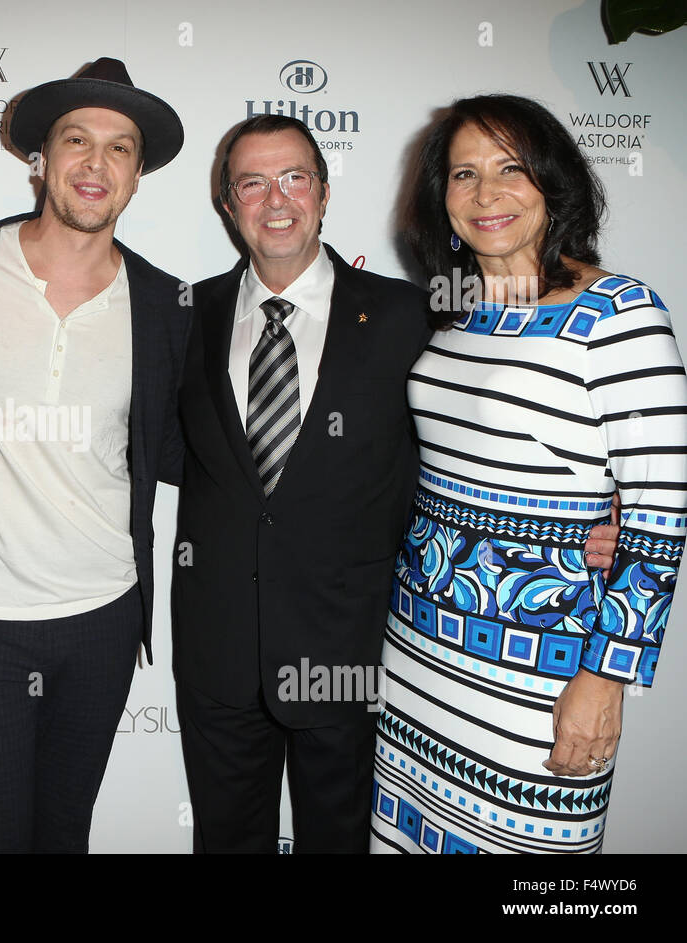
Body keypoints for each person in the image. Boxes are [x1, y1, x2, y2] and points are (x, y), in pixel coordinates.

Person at [171, 114, 619, 853]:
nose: (275, 199)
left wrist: (609, 503)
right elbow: (155, 448)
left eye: (295, 178)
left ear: (322, 193)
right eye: (252, 182)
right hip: (220, 659)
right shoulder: (186, 314)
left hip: (356, 655)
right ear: (228, 204)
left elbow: (495, 419)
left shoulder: (419, 314)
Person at [370, 94, 687, 854]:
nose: (486, 194)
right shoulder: (454, 316)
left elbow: (662, 510)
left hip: (543, 676)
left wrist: (607, 677)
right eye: (463, 174)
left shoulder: (618, 313)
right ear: (438, 196)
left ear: (553, 181)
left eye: (512, 169)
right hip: (419, 653)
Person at [0, 57, 188, 852]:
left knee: (65, 832)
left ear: (137, 176)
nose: (96, 163)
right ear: (43, 158)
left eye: (120, 148)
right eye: (77, 140)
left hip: (103, 616)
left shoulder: (167, 302)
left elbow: (182, 448)